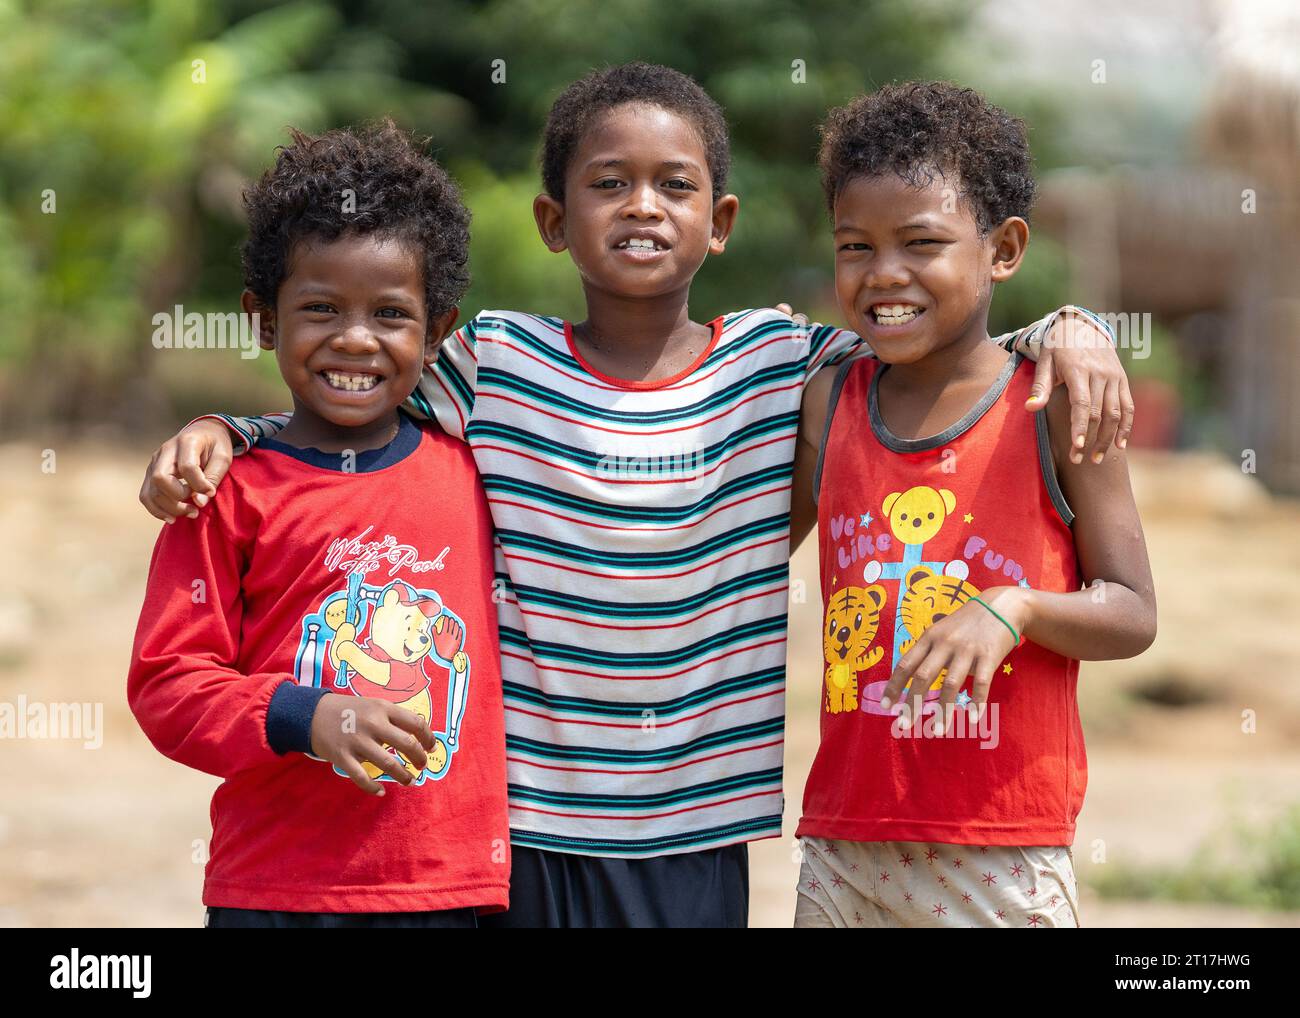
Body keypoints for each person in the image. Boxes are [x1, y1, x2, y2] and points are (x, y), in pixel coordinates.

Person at [137, 64, 1132, 928]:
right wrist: (228, 432)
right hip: (519, 828)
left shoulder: (788, 366)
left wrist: (1072, 327)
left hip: (695, 828)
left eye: (674, 185)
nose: (643, 207)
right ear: (554, 222)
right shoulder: (492, 362)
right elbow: (353, 400)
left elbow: (946, 354)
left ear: (721, 221)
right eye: (608, 184)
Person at [128, 121, 509, 927]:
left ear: (439, 329)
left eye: (392, 314)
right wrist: (304, 714)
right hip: (274, 890)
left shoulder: (479, 472)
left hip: (442, 891)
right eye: (321, 308)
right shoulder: (226, 492)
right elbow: (168, 683)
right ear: (263, 319)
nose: (355, 339)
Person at [794, 82, 1156, 928]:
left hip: (1001, 852)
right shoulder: (827, 399)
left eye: (922, 242)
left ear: (1004, 249)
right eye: (855, 246)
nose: (885, 273)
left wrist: (1016, 606)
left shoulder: (1056, 399)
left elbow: (1134, 612)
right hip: (843, 846)